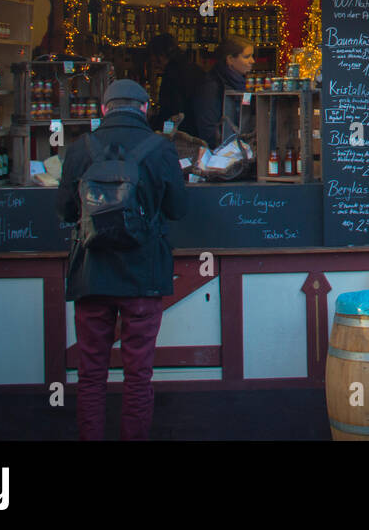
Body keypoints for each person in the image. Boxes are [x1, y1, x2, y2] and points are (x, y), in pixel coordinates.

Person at [56, 79, 187, 440]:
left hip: (92, 274)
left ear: (103, 110)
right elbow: (178, 209)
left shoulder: (81, 148)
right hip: (142, 276)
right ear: (144, 108)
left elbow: (65, 210)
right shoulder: (161, 148)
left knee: (91, 373)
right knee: (138, 374)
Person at [187, 35, 254, 149]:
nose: (252, 61)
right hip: (221, 153)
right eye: (246, 57)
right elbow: (208, 128)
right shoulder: (211, 86)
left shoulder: (237, 83)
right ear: (230, 60)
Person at [146, 33, 204, 132]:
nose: (153, 62)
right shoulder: (194, 68)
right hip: (197, 127)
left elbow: (171, 111)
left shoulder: (171, 75)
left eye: (153, 57)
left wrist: (165, 132)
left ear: (160, 55)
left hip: (182, 130)